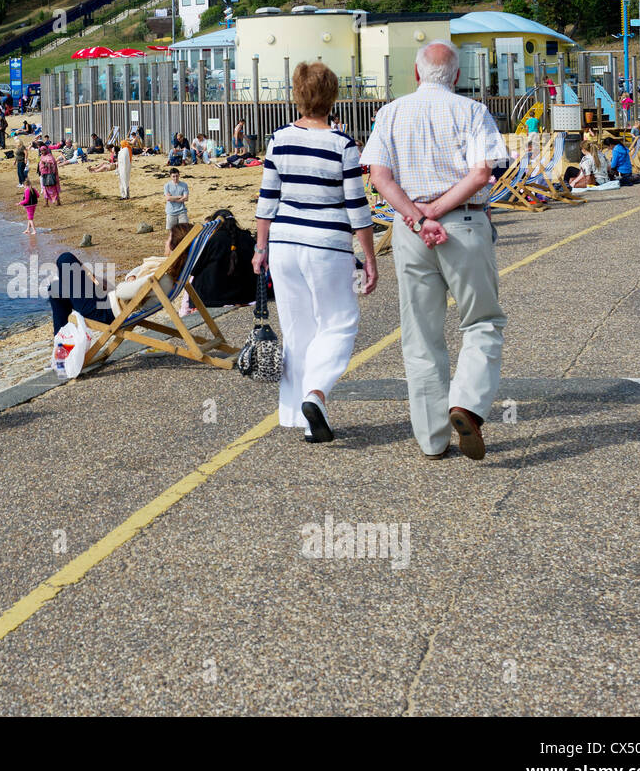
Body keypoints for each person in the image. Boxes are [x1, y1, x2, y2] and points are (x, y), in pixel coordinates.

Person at [364, 41, 508, 460]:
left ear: (415, 74)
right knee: (482, 320)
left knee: (421, 335)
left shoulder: (390, 113)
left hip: (410, 232)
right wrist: (440, 211)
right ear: (458, 77)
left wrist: (416, 216)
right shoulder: (472, 111)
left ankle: (432, 439)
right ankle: (465, 402)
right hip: (463, 223)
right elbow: (482, 172)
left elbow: (379, 175)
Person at [253, 61, 377, 445]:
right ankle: (316, 394)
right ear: (333, 97)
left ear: (297, 95)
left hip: (285, 244)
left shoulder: (278, 140)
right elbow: (358, 208)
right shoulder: (343, 145)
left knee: (298, 330)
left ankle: (301, 417)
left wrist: (260, 248)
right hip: (327, 245)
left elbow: (267, 200)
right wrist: (370, 256)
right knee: (339, 323)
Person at [48, 225, 190, 333]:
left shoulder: (163, 278)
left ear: (174, 246)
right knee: (56, 289)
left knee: (65, 258)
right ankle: (61, 349)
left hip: (104, 312)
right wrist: (132, 278)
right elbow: (136, 271)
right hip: (108, 303)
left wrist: (119, 283)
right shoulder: (168, 271)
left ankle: (62, 350)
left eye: (168, 239)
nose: (165, 242)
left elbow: (122, 291)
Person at [190, 208, 259, 307]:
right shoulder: (247, 237)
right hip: (246, 293)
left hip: (213, 296)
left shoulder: (215, 239)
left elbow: (195, 269)